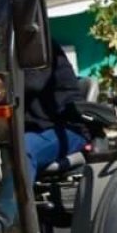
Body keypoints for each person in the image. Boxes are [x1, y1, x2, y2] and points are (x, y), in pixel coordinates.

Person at [20, 42, 89, 183]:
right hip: (28, 131)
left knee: (22, 151)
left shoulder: (40, 48)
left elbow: (31, 84)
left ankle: (10, 204)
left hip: (64, 128)